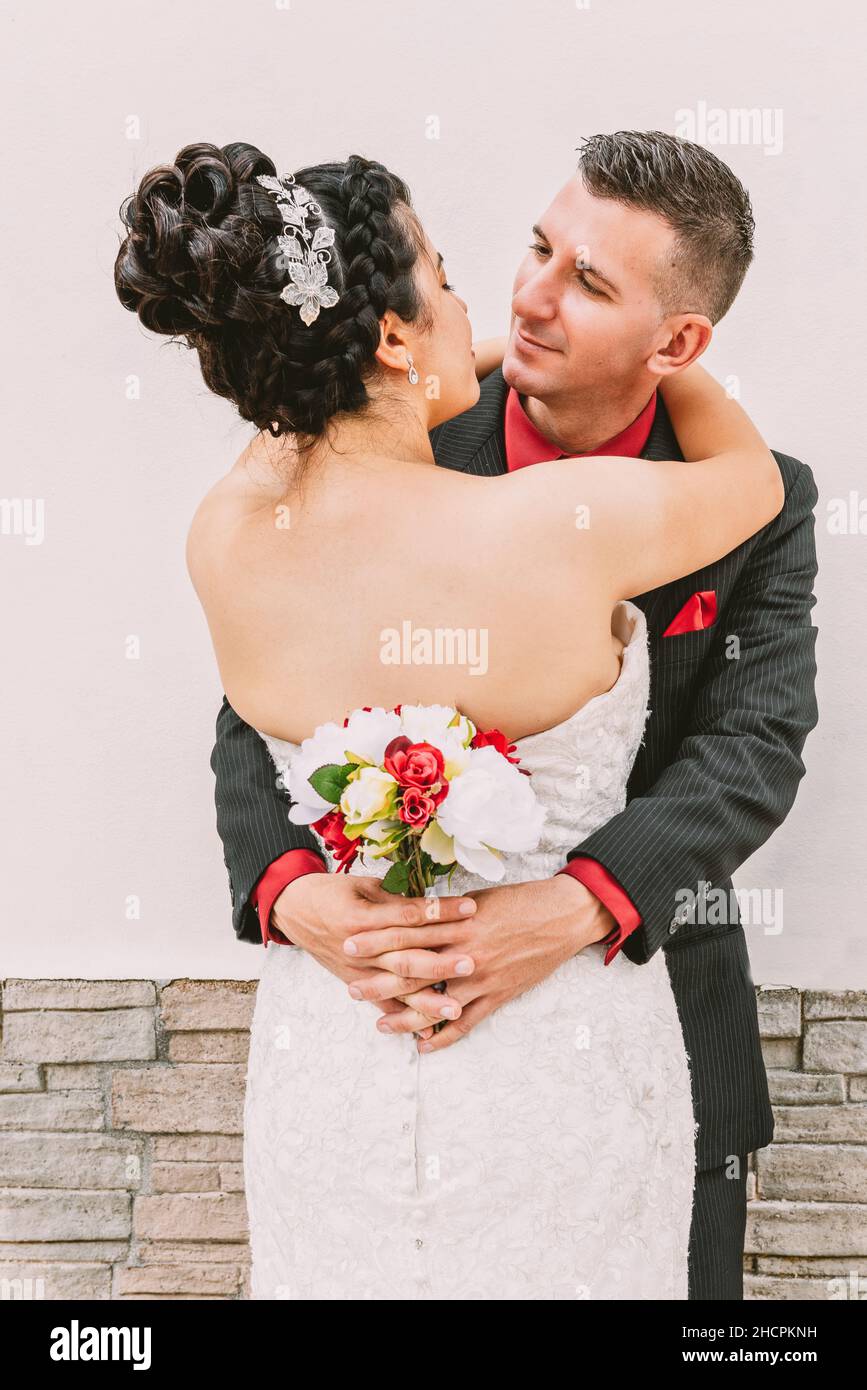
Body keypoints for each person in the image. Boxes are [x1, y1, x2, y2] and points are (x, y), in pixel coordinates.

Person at [114, 133, 809, 1299]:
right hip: (369, 1002)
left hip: (624, 1007)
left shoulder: (247, 512)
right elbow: (247, 737)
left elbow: (753, 750)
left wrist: (579, 905)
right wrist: (295, 892)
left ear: (678, 336)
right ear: (390, 335)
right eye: (533, 250)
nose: (526, 296)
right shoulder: (543, 496)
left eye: (587, 282)